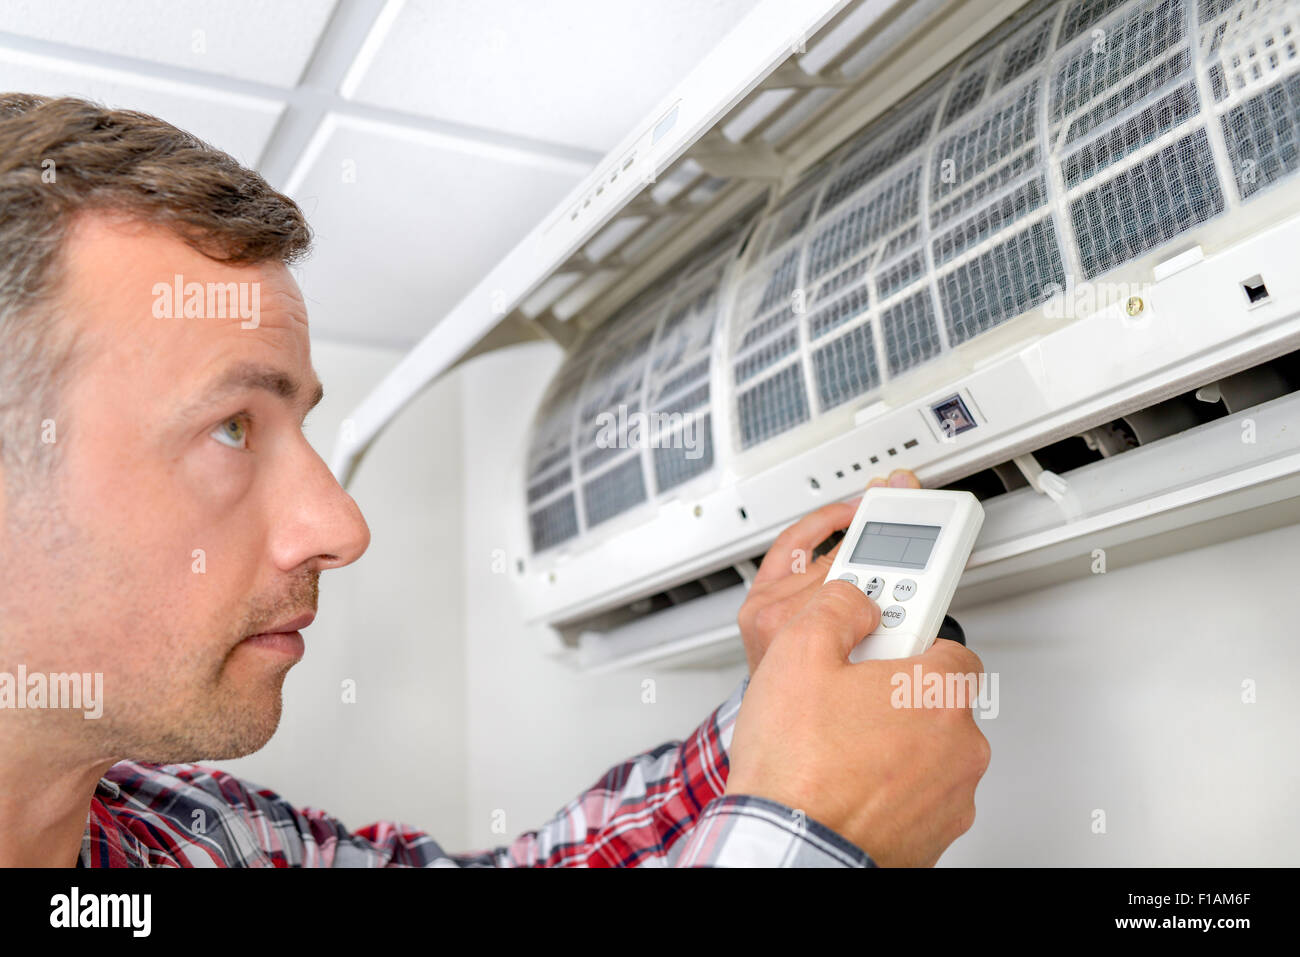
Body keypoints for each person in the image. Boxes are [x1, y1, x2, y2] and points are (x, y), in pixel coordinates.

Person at [0, 94, 989, 868]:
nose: (341, 525)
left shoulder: (182, 836)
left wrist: (779, 727)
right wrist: (815, 836)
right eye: (229, 428)